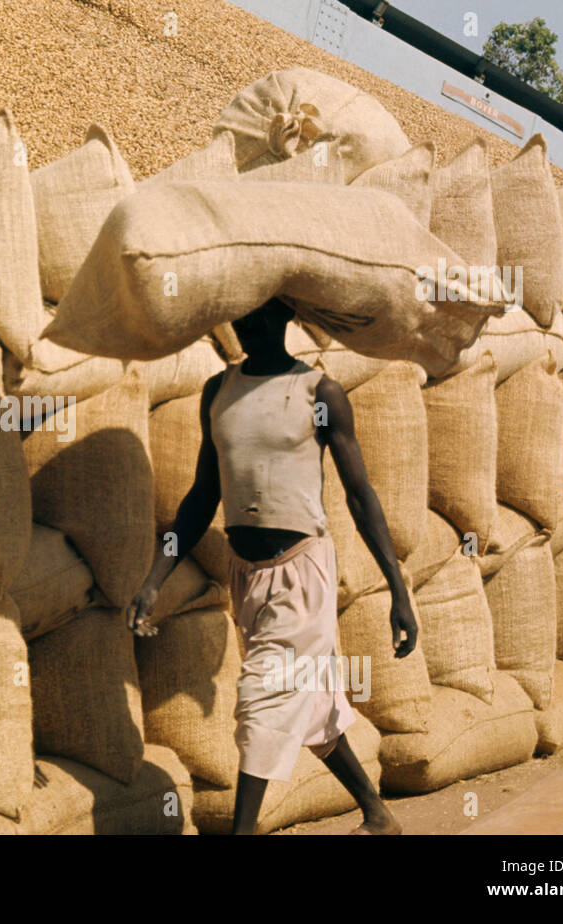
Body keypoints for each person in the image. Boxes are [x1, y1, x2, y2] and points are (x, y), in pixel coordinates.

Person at [125, 297, 416, 835]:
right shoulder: (219, 392)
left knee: (262, 698)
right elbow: (201, 498)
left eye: (262, 317)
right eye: (243, 318)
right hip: (247, 576)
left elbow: (361, 496)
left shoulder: (318, 393)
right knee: (306, 710)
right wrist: (154, 580)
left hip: (303, 572)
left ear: (287, 317)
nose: (251, 328)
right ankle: (377, 815)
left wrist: (400, 592)